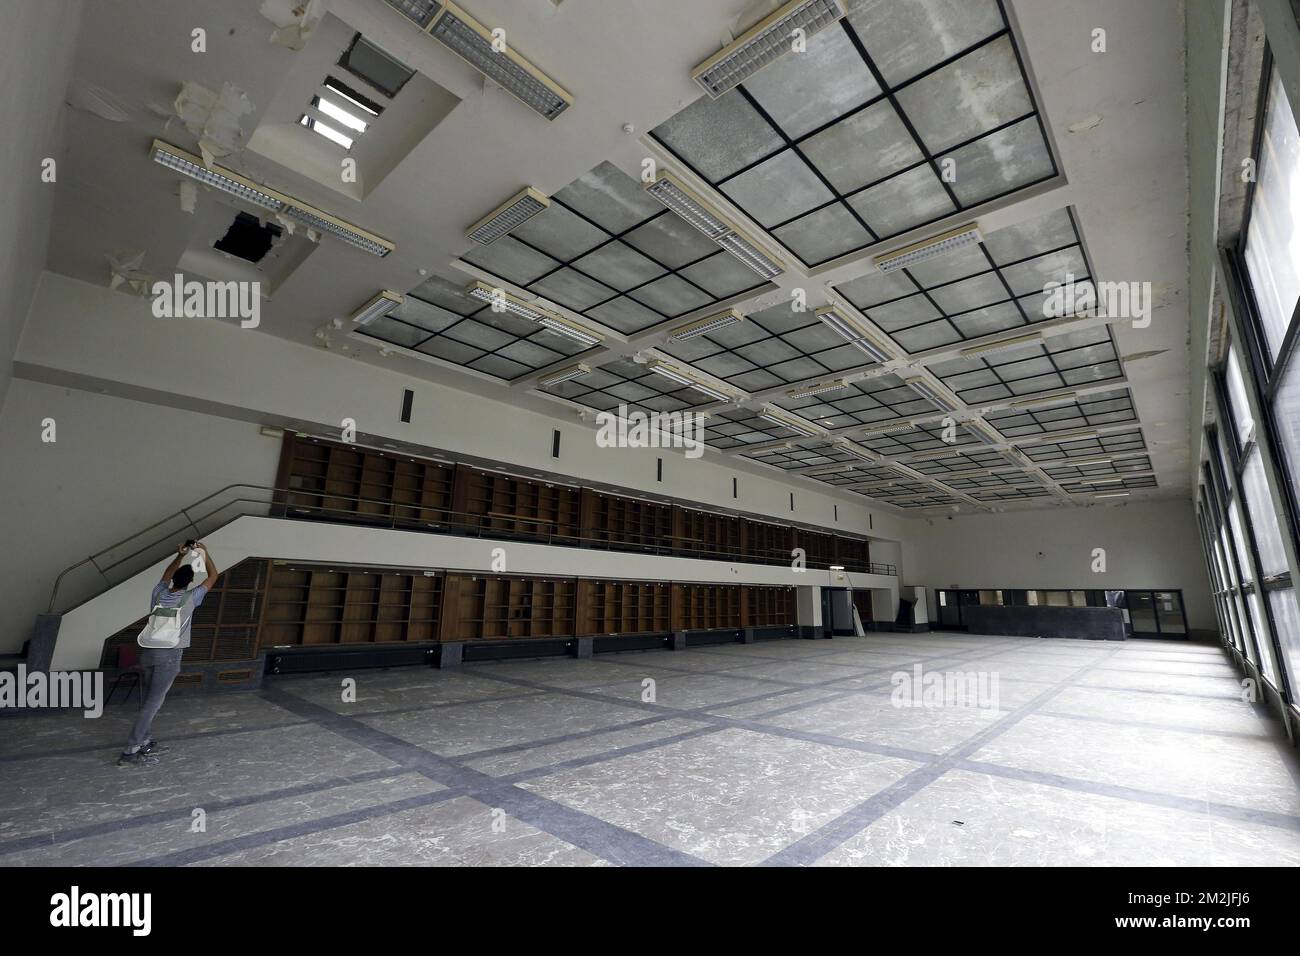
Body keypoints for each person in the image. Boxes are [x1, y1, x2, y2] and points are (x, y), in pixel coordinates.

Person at [117, 541, 218, 767]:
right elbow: (214, 575)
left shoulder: (159, 593)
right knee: (153, 704)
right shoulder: (191, 598)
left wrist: (179, 555)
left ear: (173, 580)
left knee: (148, 701)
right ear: (190, 582)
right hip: (169, 656)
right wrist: (204, 552)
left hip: (147, 653)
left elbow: (166, 573)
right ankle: (130, 750)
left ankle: (145, 741)